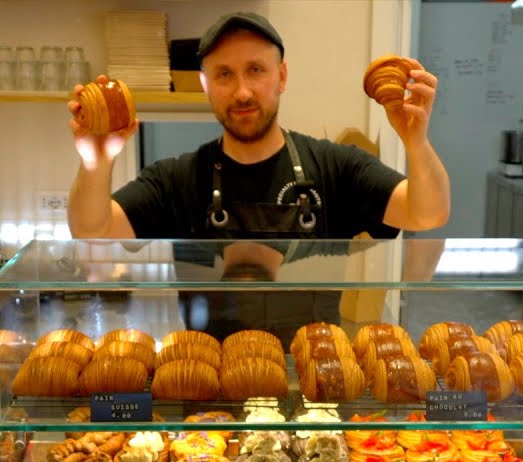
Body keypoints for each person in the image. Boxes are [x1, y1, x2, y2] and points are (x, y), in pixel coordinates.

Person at [64, 11, 450, 339]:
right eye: (224, 74)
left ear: (281, 77)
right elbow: (92, 230)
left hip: (312, 382)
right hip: (210, 393)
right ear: (205, 85)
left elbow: (427, 213)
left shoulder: (335, 166)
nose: (243, 91)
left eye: (256, 70)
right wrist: (96, 163)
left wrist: (416, 142)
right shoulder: (177, 177)